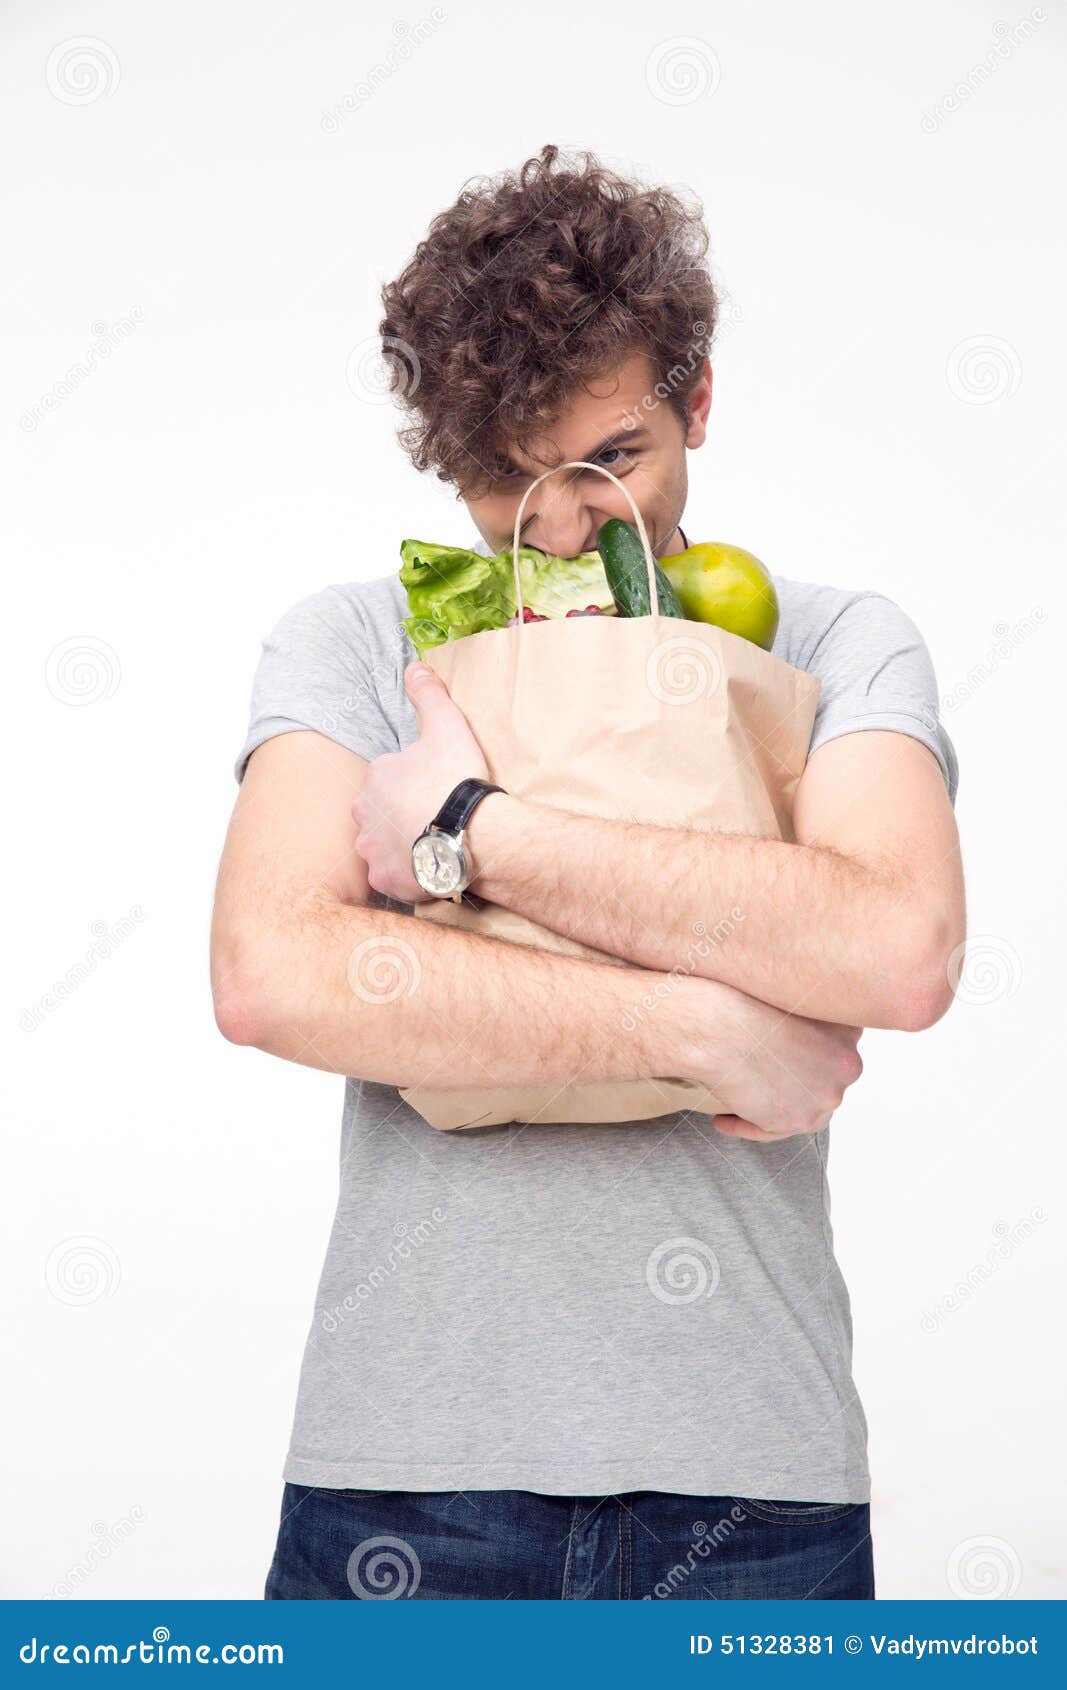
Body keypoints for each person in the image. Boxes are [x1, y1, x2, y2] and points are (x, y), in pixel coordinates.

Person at [210, 144, 964, 1601]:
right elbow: (271, 973)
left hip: (758, 1485)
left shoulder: (829, 642)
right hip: (405, 1481)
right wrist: (705, 1026)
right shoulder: (357, 641)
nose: (561, 527)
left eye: (612, 459)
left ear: (696, 400)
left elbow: (898, 950)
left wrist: (472, 831)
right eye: (507, 476)